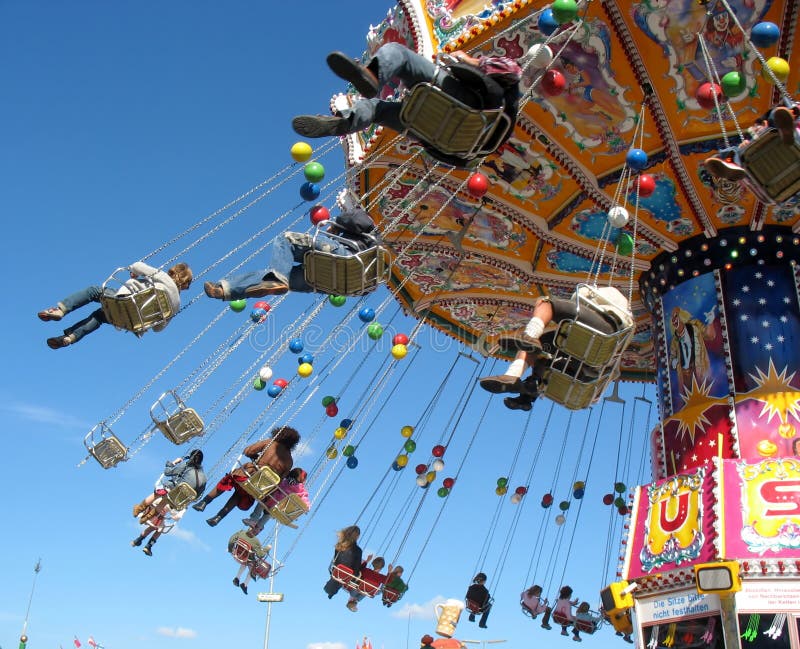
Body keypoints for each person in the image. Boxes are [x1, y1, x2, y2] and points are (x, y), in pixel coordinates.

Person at [292, 43, 522, 167]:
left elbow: (512, 71)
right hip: (452, 137)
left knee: (398, 53)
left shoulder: (508, 86)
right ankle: (344, 122)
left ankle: (372, 75)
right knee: (377, 109)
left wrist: (468, 59)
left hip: (466, 108)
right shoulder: (495, 134)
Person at [479, 285, 632, 408]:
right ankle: (527, 390)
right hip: (587, 370)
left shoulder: (607, 302)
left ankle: (517, 367)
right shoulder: (614, 348)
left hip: (602, 330)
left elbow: (585, 297)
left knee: (546, 303)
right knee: (539, 348)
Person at [203, 208, 377, 299]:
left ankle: (276, 281)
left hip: (347, 257)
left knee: (285, 239)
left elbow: (355, 219)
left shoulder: (370, 224)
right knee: (275, 276)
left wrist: (336, 225)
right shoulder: (376, 263)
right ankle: (225, 289)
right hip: (344, 283)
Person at [38, 261, 192, 349]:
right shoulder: (176, 305)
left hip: (126, 301)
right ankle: (69, 338)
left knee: (94, 291)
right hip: (133, 322)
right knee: (100, 316)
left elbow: (137, 265)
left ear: (173, 272)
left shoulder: (163, 276)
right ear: (184, 286)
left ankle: (60, 310)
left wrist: (135, 273)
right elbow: (158, 328)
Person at [191, 426, 300, 526]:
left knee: (227, 481)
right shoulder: (289, 461)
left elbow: (248, 451)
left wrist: (256, 456)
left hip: (249, 475)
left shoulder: (271, 443)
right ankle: (218, 517)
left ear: (279, 434)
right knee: (238, 495)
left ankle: (204, 502)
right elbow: (280, 480)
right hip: (260, 487)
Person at [704, 103, 799, 182]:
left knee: (776, 116)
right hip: (772, 144)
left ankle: (785, 129)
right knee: (739, 150)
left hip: (786, 139)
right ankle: (730, 164)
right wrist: (746, 145)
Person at [132, 450, 206, 517]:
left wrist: (173, 463)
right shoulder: (204, 477)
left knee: (157, 493)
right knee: (166, 500)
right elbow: (198, 496)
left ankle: (139, 509)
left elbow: (168, 472)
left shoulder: (187, 465)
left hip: (172, 489)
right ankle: (148, 517)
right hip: (180, 499)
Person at [242, 467, 310, 534]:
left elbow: (276, 487)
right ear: (302, 480)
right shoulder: (300, 489)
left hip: (272, 500)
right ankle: (258, 527)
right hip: (281, 507)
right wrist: (306, 506)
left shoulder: (285, 481)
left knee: (261, 504)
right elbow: (304, 497)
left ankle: (253, 519)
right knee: (269, 513)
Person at [324, 525, 363, 600]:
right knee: (346, 578)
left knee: (337, 578)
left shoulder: (340, 545)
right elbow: (357, 567)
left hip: (337, 570)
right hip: (347, 574)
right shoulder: (358, 550)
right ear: (357, 536)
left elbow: (335, 558)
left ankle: (331, 591)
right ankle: (331, 591)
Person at [228, 528, 272, 595]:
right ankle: (245, 584)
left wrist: (230, 549)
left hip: (237, 554)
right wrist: (267, 548)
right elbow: (260, 555)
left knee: (246, 561)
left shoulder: (241, 532)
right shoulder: (256, 541)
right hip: (246, 559)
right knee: (253, 567)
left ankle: (237, 578)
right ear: (257, 530)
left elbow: (231, 539)